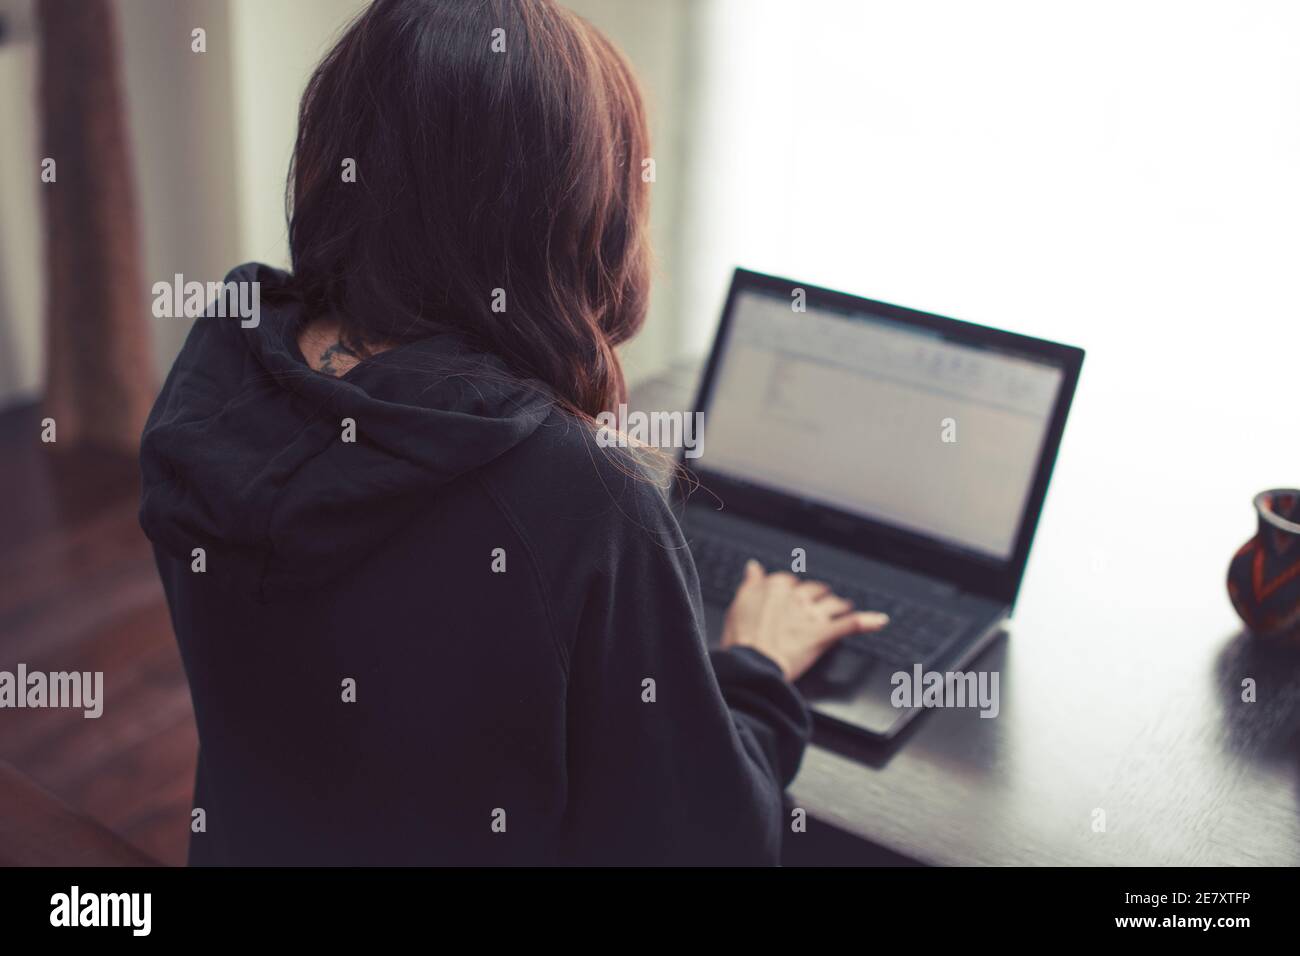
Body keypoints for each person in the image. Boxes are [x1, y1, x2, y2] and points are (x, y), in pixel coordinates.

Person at [139, 0, 886, 865]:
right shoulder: (579, 501)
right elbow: (713, 841)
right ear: (575, 214)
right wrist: (756, 667)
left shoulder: (218, 366)